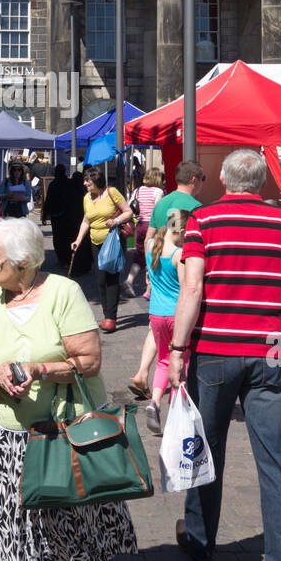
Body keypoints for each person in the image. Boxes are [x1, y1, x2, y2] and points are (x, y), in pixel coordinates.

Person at [0, 218, 138, 561]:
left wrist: (38, 368)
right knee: (16, 522)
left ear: (22, 262)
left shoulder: (63, 292)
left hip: (67, 431)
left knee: (79, 510)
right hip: (14, 436)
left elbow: (90, 361)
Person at [166, 148, 281, 561]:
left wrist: (176, 348)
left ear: (225, 180)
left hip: (214, 349)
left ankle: (200, 540)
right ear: (261, 183)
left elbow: (192, 289)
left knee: (207, 448)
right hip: (269, 349)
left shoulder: (204, 222)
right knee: (277, 464)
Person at [129, 161, 205, 399]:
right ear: (194, 179)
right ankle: (176, 397)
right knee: (178, 346)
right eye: (202, 180)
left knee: (157, 330)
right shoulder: (197, 207)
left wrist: (148, 270)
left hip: (157, 267)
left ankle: (142, 371)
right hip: (178, 273)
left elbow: (149, 237)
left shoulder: (162, 202)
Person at [142, 208, 190, 435]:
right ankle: (177, 412)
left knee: (162, 360)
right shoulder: (179, 255)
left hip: (156, 314)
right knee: (182, 361)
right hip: (175, 315)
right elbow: (184, 288)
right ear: (180, 231)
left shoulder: (152, 246)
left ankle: (154, 402)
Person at [71, 166, 134, 333]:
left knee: (111, 278)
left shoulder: (112, 193)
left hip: (112, 241)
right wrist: (78, 240)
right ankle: (106, 314)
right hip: (95, 242)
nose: (85, 184)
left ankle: (111, 318)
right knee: (100, 280)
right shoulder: (87, 198)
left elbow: (128, 211)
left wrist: (116, 221)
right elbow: (86, 220)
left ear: (97, 181)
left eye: (88, 181)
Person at [123, 167, 165, 299]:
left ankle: (129, 280)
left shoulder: (138, 190)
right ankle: (149, 290)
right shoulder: (158, 191)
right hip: (152, 226)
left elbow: (130, 206)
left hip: (140, 225)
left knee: (139, 255)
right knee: (153, 255)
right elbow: (158, 210)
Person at [42, 164, 72, 266]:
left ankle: (61, 259)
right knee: (67, 237)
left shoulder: (53, 184)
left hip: (56, 215)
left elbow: (48, 201)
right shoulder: (69, 183)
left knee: (57, 238)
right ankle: (68, 258)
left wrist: (44, 215)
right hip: (68, 214)